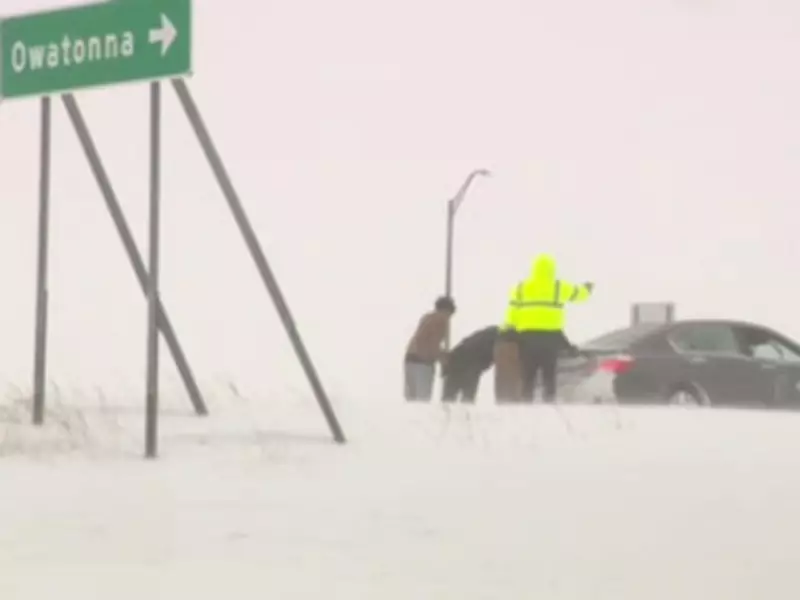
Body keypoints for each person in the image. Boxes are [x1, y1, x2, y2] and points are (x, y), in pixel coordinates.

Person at [503, 254, 593, 402]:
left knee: (528, 373)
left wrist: (507, 330)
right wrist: (587, 289)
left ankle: (526, 401)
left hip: (527, 336)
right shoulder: (558, 287)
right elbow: (578, 294)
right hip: (551, 336)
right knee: (548, 373)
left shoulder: (521, 288)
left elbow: (512, 311)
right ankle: (549, 401)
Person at [404, 296, 456, 401]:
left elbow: (426, 340)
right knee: (422, 400)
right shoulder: (441, 319)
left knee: (411, 400)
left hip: (410, 359)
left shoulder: (427, 317)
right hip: (422, 362)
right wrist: (444, 362)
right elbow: (433, 344)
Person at [441, 326, 499, 403]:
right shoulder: (499, 337)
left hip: (458, 361)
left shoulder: (491, 333)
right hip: (466, 364)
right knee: (464, 399)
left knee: (450, 398)